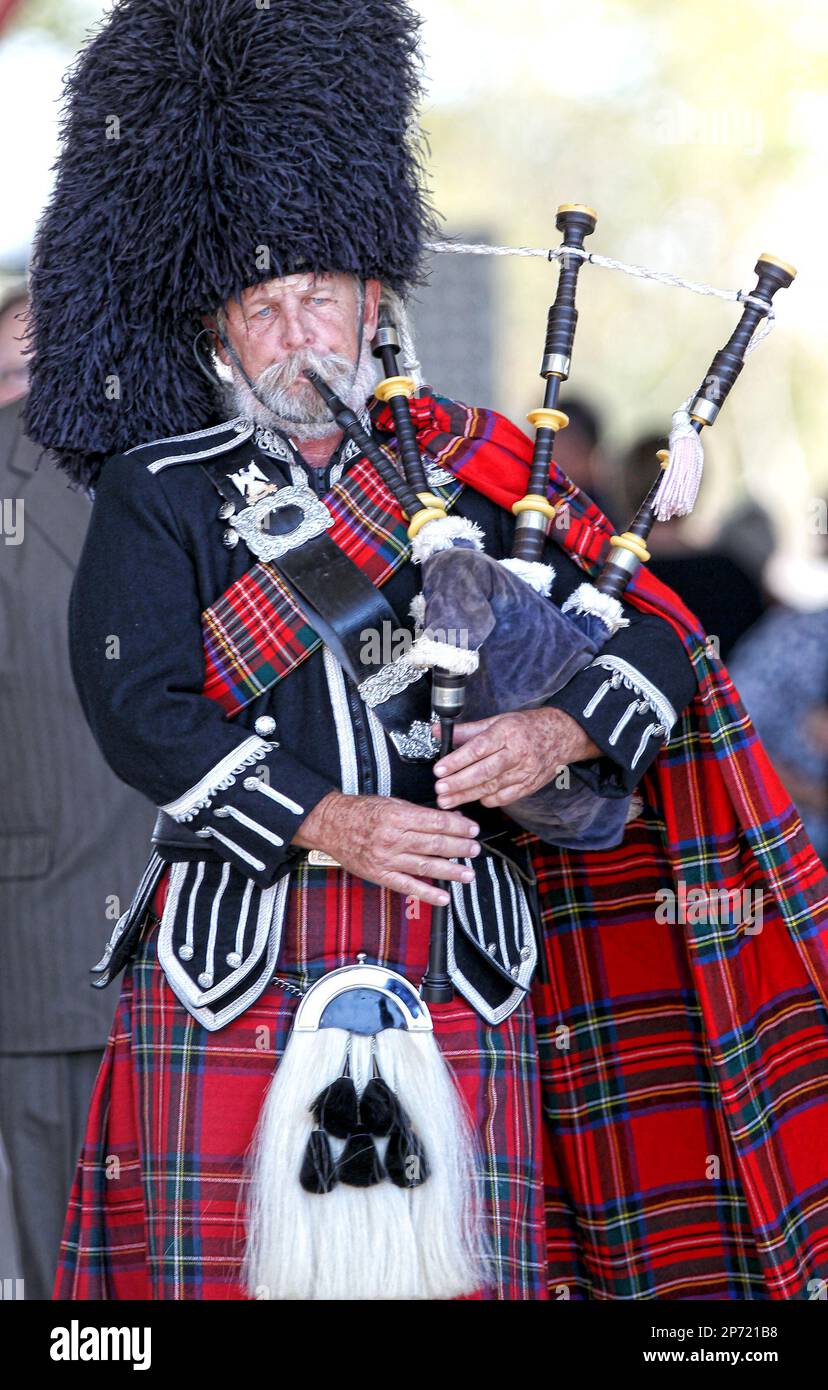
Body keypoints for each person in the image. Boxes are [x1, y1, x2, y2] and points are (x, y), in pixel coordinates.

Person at [23, 0, 828, 1301]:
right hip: (242, 950)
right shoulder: (156, 487)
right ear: (221, 331)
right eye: (262, 309)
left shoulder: (486, 475)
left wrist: (556, 728)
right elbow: (137, 707)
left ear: (374, 299)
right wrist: (329, 817)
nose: (296, 334)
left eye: (319, 298)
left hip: (462, 940)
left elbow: (663, 647)